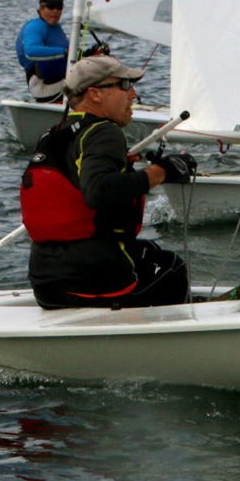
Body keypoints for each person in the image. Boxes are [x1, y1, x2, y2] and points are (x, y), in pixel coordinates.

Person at [20, 56, 193, 309]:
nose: (133, 94)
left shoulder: (53, 134)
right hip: (93, 286)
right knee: (172, 267)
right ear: (95, 94)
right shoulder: (103, 131)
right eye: (124, 85)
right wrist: (162, 171)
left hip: (48, 285)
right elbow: (98, 192)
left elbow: (75, 181)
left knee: (147, 248)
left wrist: (119, 163)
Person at [15, 0, 108, 102]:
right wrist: (64, 51)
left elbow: (71, 57)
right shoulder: (34, 26)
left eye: (59, 7)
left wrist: (92, 52)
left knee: (105, 72)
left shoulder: (57, 29)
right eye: (51, 6)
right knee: (94, 79)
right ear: (41, 9)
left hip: (61, 81)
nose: (55, 11)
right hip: (42, 87)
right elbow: (30, 51)